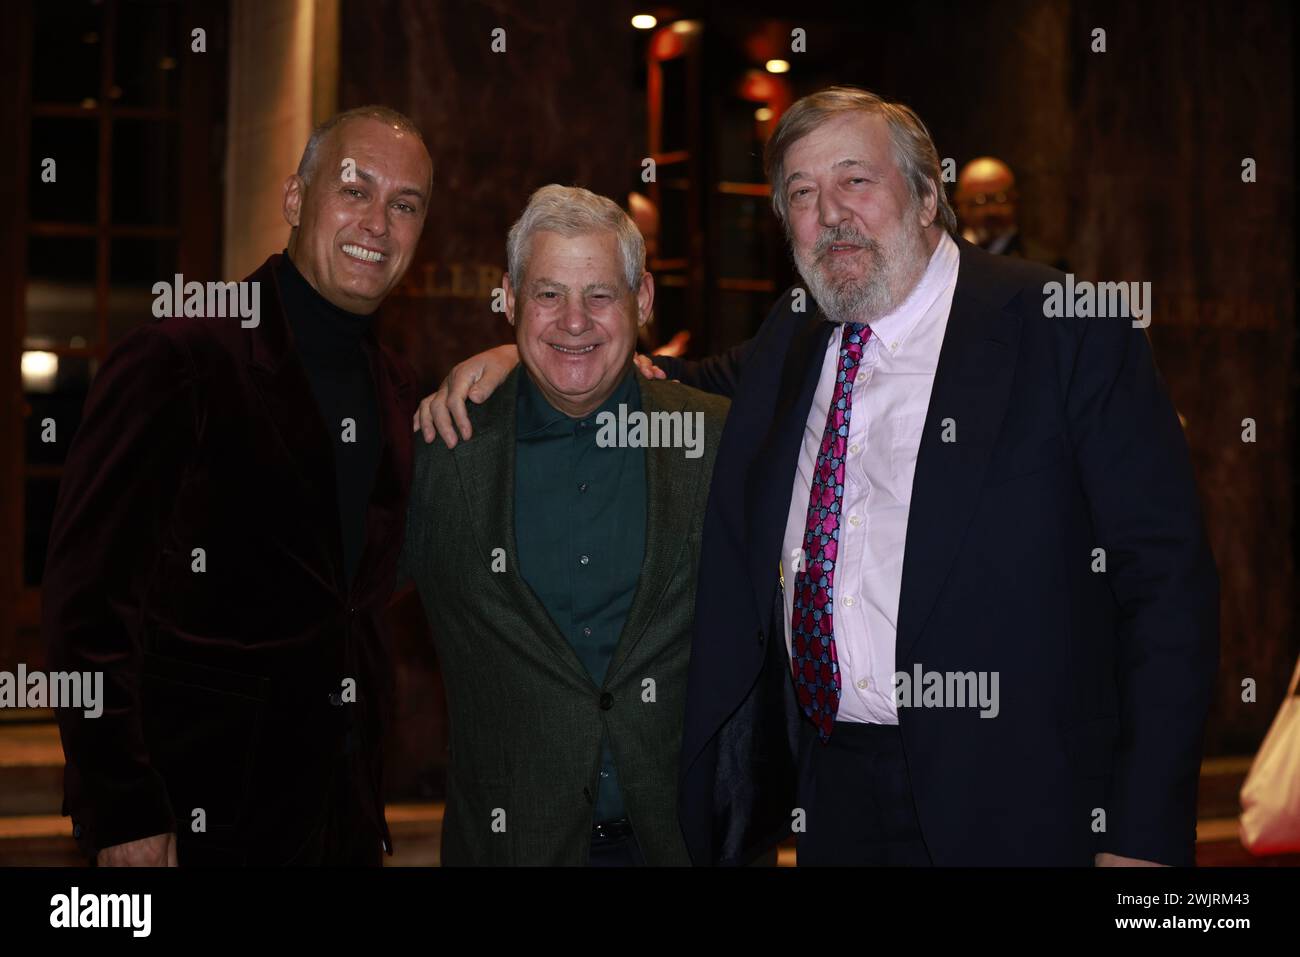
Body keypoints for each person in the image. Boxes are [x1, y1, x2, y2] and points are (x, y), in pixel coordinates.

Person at [416, 86, 1219, 868]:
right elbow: (657, 374)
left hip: (1021, 800)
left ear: (927, 196)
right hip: (834, 795)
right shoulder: (796, 334)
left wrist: (1144, 830)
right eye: (801, 192)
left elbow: (1169, 585)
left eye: (854, 181)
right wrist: (524, 354)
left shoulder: (1062, 328)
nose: (830, 211)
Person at [43, 105, 432, 866]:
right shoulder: (182, 355)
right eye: (355, 190)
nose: (378, 223)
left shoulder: (395, 388)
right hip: (199, 817)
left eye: (406, 204)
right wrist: (122, 805)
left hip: (338, 819)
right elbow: (87, 601)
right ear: (294, 198)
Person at [400, 185, 727, 865]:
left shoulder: (715, 438)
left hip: (685, 846)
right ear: (511, 300)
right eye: (548, 294)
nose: (574, 321)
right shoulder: (444, 452)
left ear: (642, 301)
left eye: (600, 295)